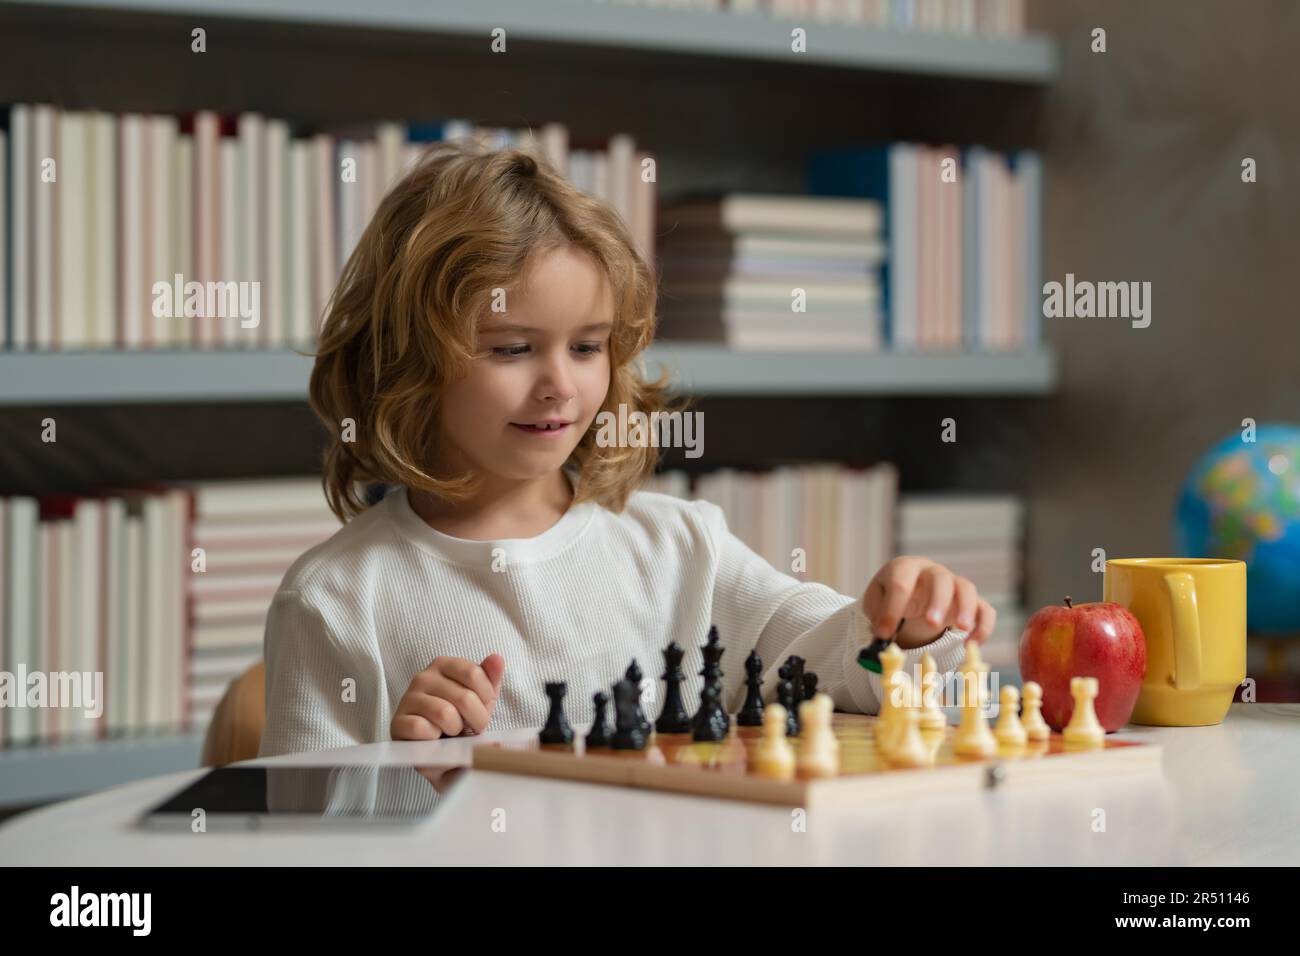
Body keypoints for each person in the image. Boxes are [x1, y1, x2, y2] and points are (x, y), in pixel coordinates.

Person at [258, 140, 995, 758]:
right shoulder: (335, 599)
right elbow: (306, 837)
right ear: (408, 359)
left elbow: (836, 660)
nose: (560, 386)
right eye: (513, 348)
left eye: (587, 346)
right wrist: (402, 768)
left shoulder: (680, 547)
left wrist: (902, 627)